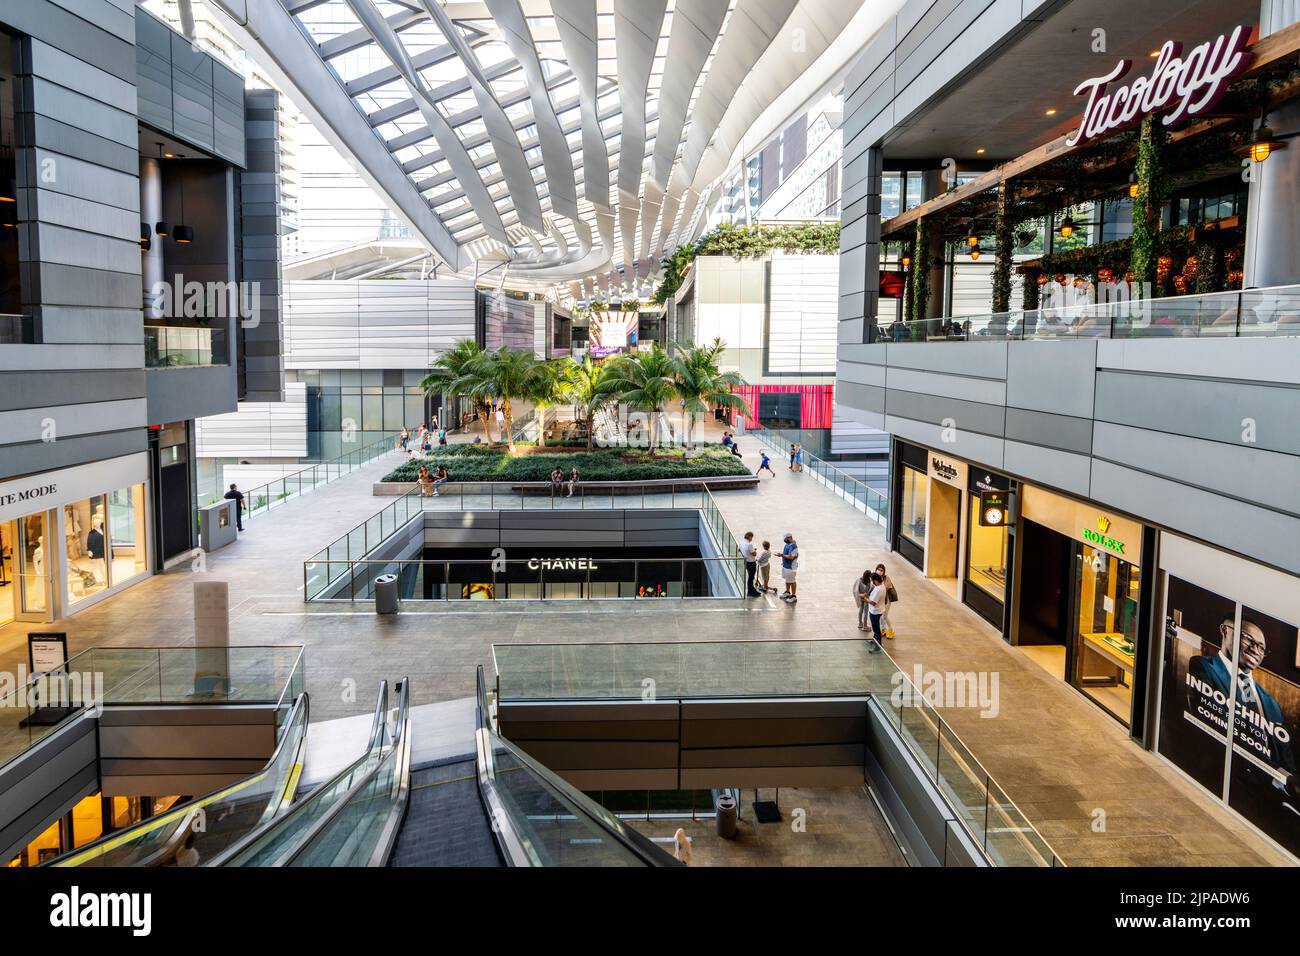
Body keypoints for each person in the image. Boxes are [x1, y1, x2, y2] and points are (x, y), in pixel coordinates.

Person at [866, 572, 889, 649]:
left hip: (875, 611)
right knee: (875, 627)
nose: (872, 582)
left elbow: (873, 602)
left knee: (876, 629)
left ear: (875, 580)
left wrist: (865, 599)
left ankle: (878, 646)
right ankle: (875, 640)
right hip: (878, 610)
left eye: (873, 581)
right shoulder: (881, 586)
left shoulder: (879, 590)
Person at [875, 563, 898, 639]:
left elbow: (885, 589)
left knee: (884, 616)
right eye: (878, 570)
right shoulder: (874, 578)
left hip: (887, 600)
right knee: (881, 616)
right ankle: (883, 629)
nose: (880, 571)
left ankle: (890, 630)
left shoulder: (886, 578)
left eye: (881, 570)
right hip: (879, 600)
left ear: (884, 572)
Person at [740, 531, 762, 597]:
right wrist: (754, 550)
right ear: (749, 536)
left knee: (750, 577)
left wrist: (746, 553)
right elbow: (754, 554)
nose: (751, 539)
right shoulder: (749, 544)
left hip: (746, 561)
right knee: (751, 577)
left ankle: (752, 590)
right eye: (751, 537)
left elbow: (739, 550)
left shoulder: (741, 542)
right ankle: (750, 592)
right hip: (751, 562)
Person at [779, 533, 799, 604]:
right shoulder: (787, 544)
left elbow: (791, 557)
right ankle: (787, 592)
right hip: (786, 566)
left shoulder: (793, 545)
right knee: (788, 580)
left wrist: (782, 555)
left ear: (789, 537)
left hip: (791, 567)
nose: (784, 540)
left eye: (785, 538)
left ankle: (793, 596)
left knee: (792, 581)